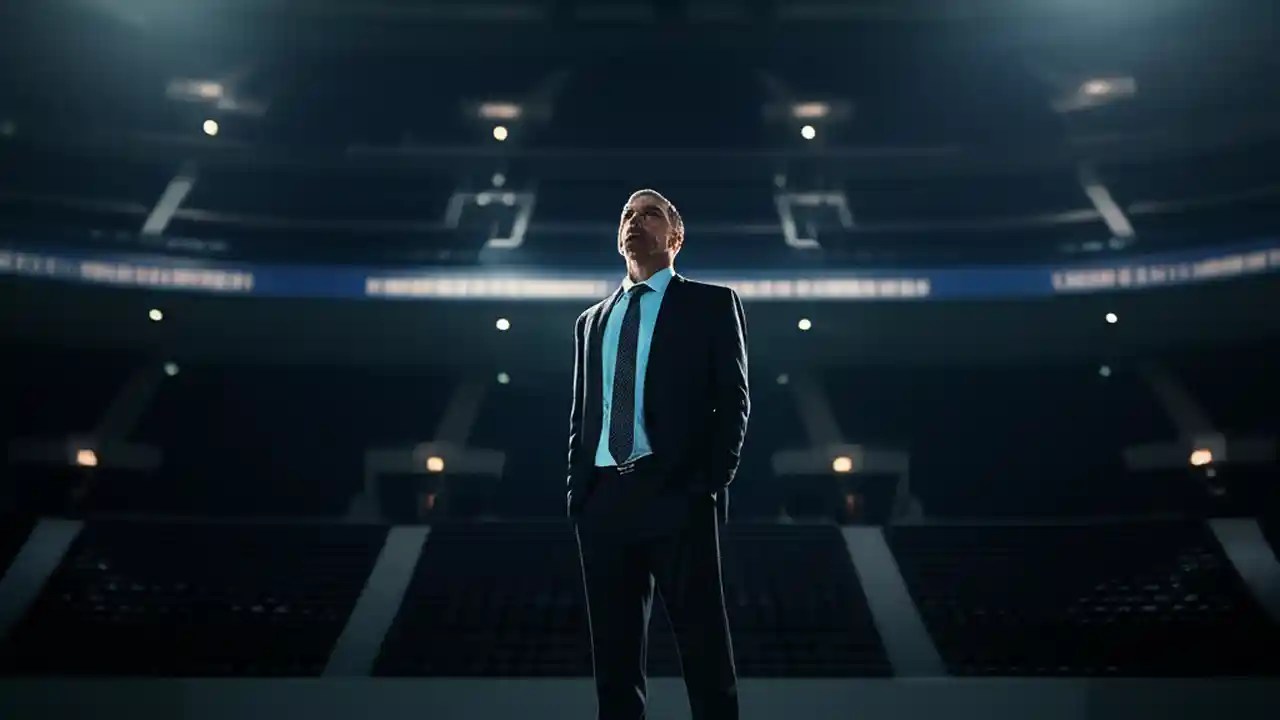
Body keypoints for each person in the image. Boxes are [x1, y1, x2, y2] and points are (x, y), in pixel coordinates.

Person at [566, 188, 750, 719]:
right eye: (626, 213)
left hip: (677, 495)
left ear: (675, 236)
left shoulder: (712, 303)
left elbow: (733, 401)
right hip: (604, 503)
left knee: (704, 653)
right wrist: (580, 496)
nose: (634, 221)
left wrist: (706, 483)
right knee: (615, 668)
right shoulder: (590, 321)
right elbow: (583, 416)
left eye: (650, 213)